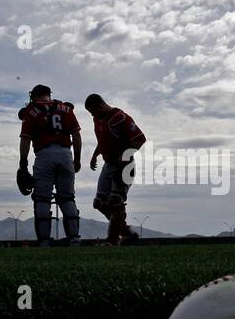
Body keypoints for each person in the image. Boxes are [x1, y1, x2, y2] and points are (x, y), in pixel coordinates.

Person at [18, 84, 82, 246]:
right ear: (49, 94)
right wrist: (77, 159)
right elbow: (76, 135)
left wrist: (23, 163)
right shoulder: (65, 108)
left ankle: (44, 241)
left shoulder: (31, 111)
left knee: (42, 199)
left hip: (44, 155)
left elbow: (25, 138)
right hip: (66, 154)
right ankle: (74, 239)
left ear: (34, 96)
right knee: (67, 198)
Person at [85, 93, 146, 245]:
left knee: (115, 200)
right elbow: (103, 140)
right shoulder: (98, 119)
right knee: (99, 202)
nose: (93, 115)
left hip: (124, 165)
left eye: (93, 111)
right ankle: (126, 232)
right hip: (108, 165)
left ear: (100, 106)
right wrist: (95, 155)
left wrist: (125, 156)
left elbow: (140, 139)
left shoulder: (120, 118)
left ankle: (112, 240)